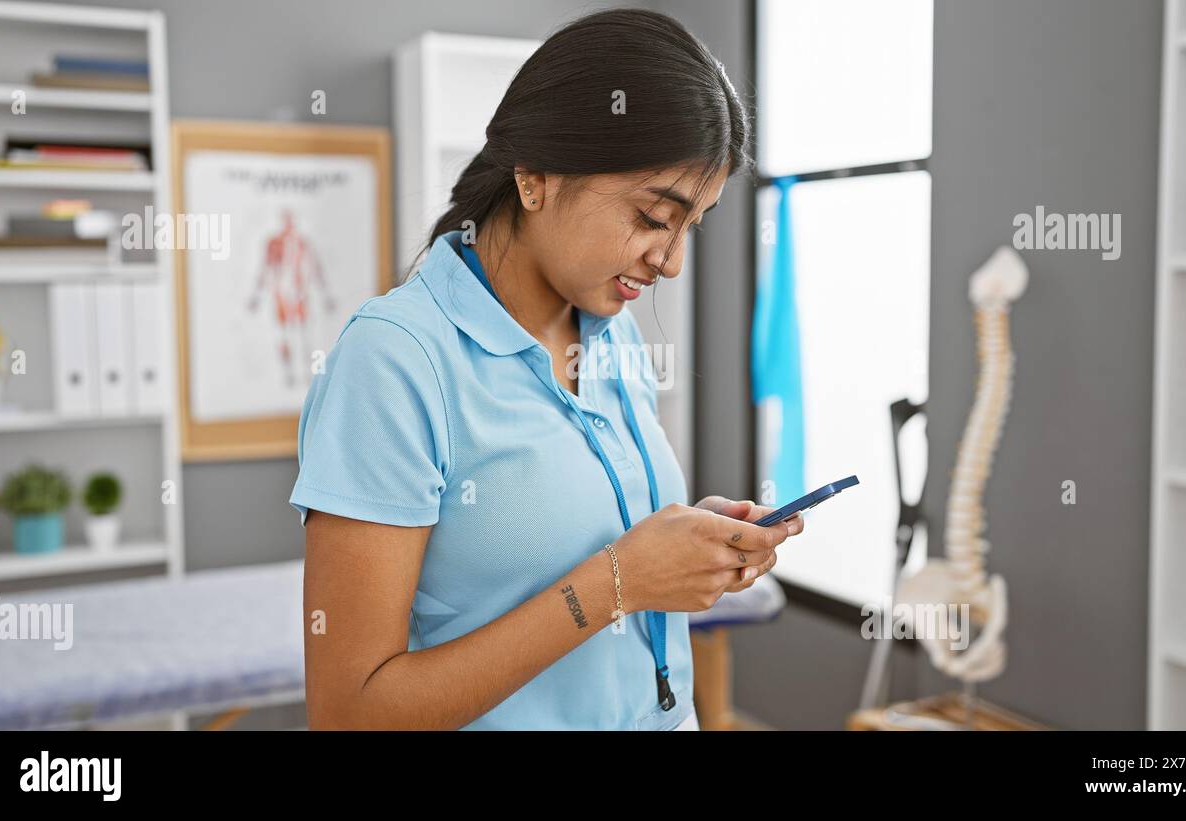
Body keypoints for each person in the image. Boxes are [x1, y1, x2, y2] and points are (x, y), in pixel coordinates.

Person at [289, 7, 804, 730]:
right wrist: (620, 580)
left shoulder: (612, 334)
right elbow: (351, 711)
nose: (673, 261)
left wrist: (684, 542)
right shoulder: (395, 361)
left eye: (694, 225)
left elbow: (589, 531)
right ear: (535, 177)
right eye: (657, 218)